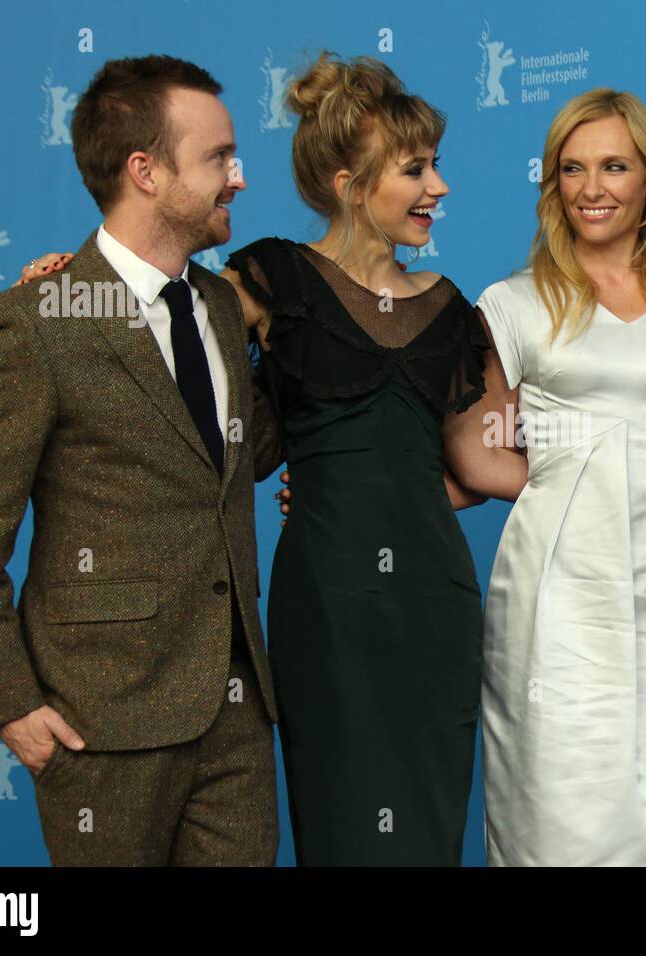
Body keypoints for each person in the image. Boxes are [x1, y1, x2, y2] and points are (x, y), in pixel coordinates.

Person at [0, 55, 282, 865]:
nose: (239, 177)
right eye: (219, 158)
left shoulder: (225, 306)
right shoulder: (35, 322)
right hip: (100, 718)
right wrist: (7, 703)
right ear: (145, 171)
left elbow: (239, 458)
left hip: (237, 711)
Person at [222, 54, 525, 865]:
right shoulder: (268, 276)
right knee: (345, 825)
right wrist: (66, 289)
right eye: (417, 169)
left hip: (434, 603)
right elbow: (163, 340)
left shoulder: (450, 307)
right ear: (352, 181)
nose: (441, 187)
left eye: (437, 166)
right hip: (327, 606)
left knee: (425, 833)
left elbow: (491, 464)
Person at [463, 88, 646, 865]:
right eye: (572, 169)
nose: (592, 188)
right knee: (555, 799)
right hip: (555, 594)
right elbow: (480, 452)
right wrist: (579, 485)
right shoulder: (513, 304)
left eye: (614, 166)